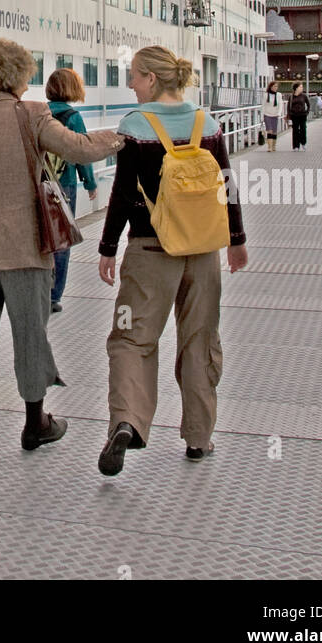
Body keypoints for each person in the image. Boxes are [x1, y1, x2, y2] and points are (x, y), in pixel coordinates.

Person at [0, 38, 124, 489]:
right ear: (19, 77)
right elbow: (79, 149)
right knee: (30, 335)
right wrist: (123, 136)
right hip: (24, 249)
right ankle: (35, 424)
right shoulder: (32, 114)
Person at [96, 46, 247, 474]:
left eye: (133, 76)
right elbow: (227, 186)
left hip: (150, 253)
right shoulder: (207, 123)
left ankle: (127, 422)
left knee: (131, 339)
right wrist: (236, 240)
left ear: (150, 79)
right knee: (200, 340)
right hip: (203, 253)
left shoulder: (135, 126)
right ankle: (199, 438)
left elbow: (124, 194)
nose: (129, 84)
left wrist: (108, 248)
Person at [46, 67, 98, 313]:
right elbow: (82, 153)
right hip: (64, 182)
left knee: (42, 236)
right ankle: (54, 296)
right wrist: (90, 183)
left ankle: (39, 288)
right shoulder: (73, 117)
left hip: (40, 181)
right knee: (62, 237)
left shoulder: (40, 113)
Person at [261, 81, 283, 151]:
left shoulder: (279, 95)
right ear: (270, 87)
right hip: (267, 114)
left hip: (275, 115)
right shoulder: (266, 95)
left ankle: (274, 145)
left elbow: (280, 105)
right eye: (274, 86)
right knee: (269, 130)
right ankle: (269, 147)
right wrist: (262, 117)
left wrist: (279, 113)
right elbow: (263, 106)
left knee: (274, 131)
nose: (275, 88)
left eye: (276, 86)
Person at [288, 81, 310, 148]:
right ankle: (296, 146)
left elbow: (308, 105)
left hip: (302, 115)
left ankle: (303, 143)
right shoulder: (291, 97)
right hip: (294, 116)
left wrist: (307, 112)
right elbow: (288, 107)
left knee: (303, 129)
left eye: (302, 87)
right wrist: (289, 115)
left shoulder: (304, 96)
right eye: (300, 87)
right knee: (295, 130)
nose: (302, 88)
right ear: (296, 88)